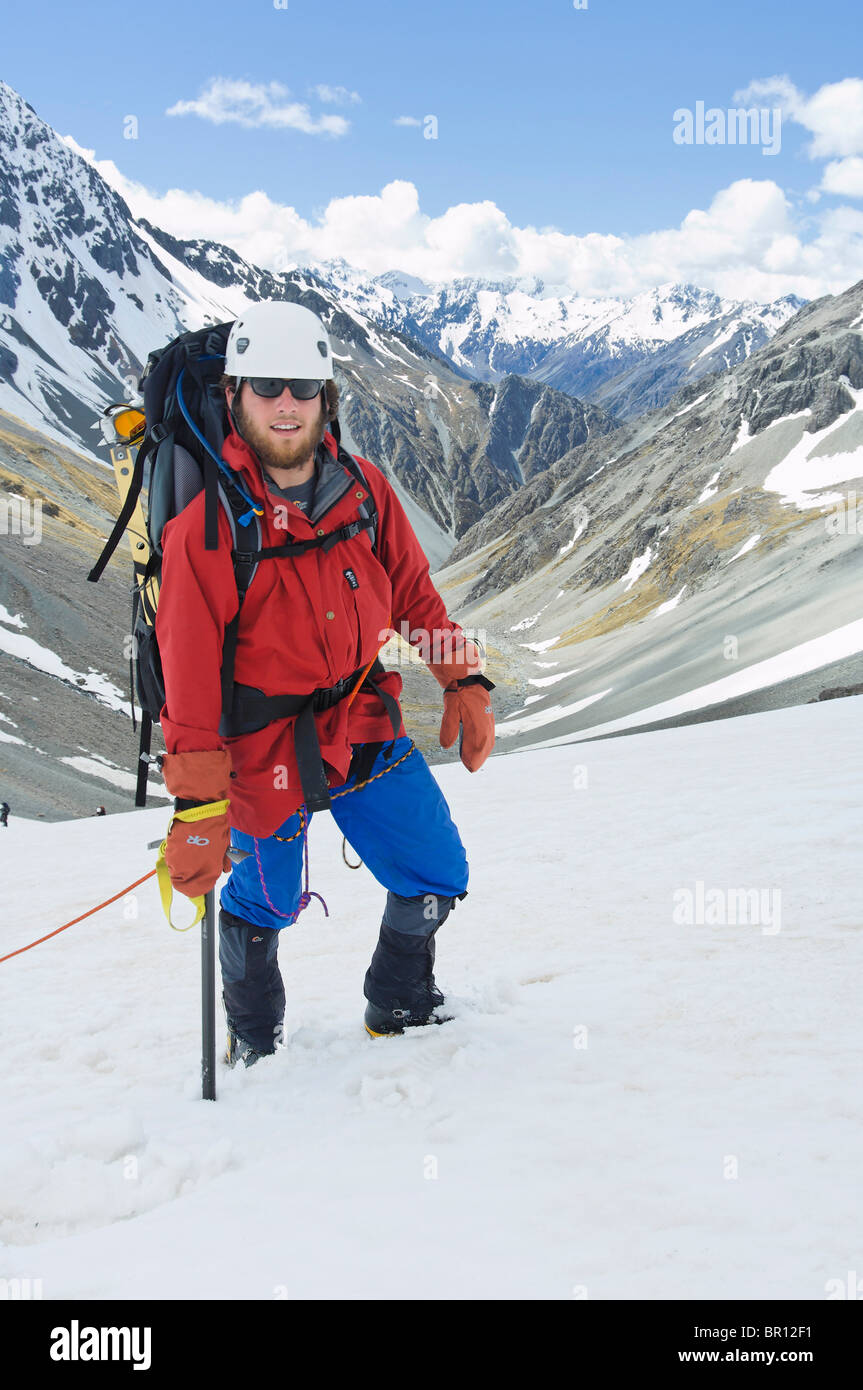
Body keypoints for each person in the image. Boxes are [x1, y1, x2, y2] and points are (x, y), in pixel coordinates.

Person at [155, 301, 495, 1067]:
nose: (285, 403)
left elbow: (412, 594)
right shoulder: (206, 529)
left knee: (436, 871)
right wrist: (198, 806)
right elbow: (188, 682)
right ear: (235, 396)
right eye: (267, 385)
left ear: (326, 398)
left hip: (362, 719)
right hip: (260, 749)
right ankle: (254, 1036)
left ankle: (398, 1001)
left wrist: (460, 675)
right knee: (268, 900)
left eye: (302, 387)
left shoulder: (365, 489)